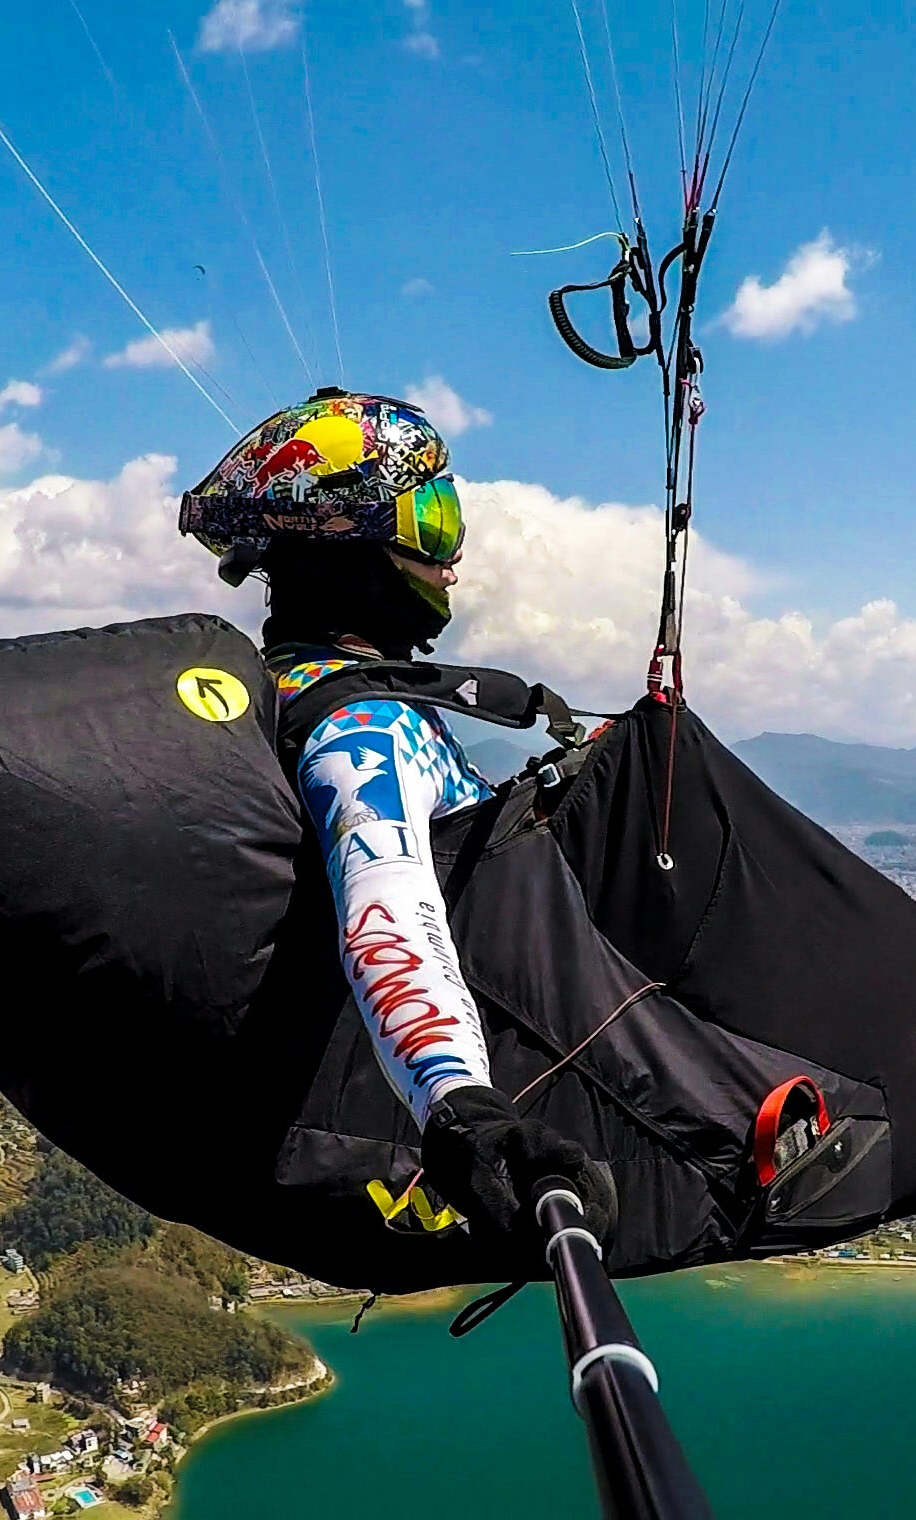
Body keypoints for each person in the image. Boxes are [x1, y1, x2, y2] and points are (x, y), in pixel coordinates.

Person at [180, 388, 616, 1249]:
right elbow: (386, 910)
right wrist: (463, 1106)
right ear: (355, 546)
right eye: (433, 524)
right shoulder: (365, 726)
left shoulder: (285, 697)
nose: (453, 563)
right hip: (474, 1089)